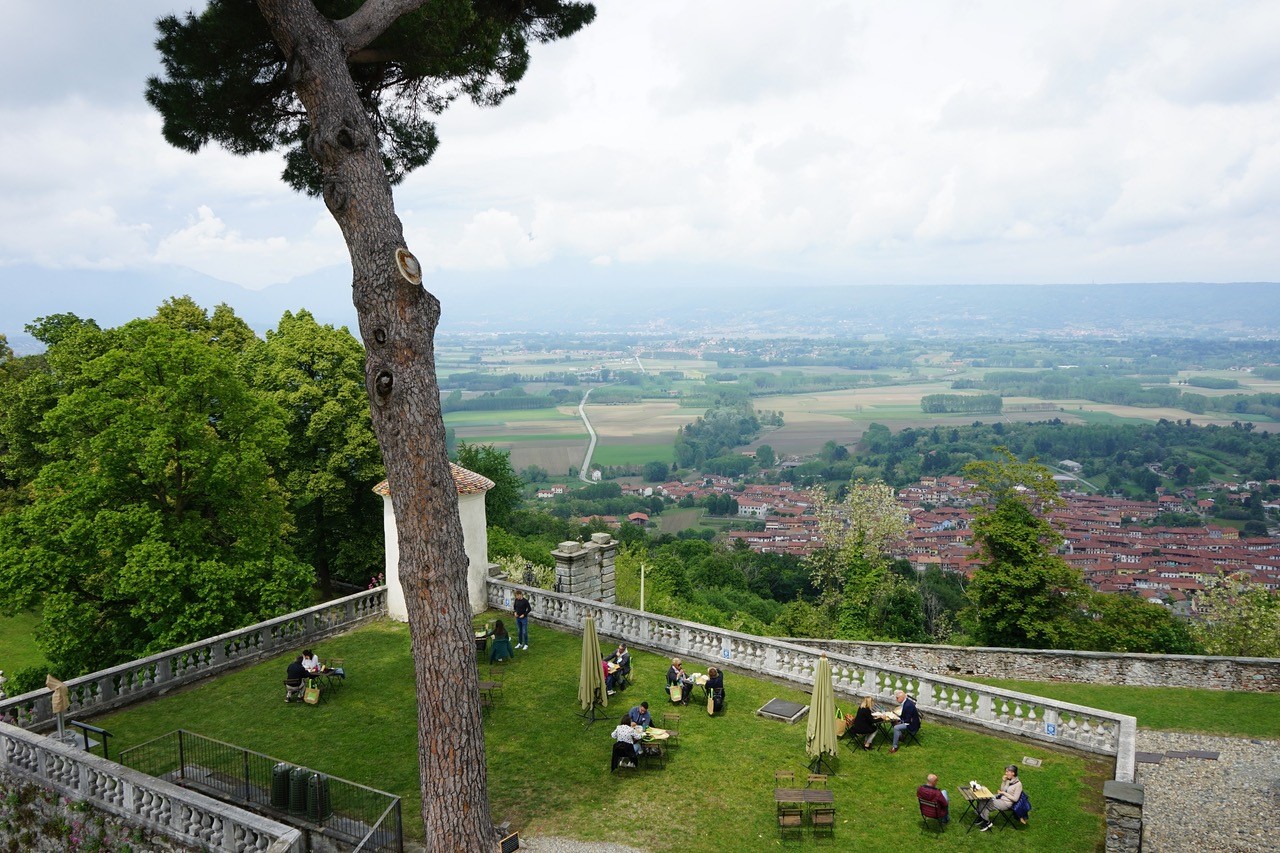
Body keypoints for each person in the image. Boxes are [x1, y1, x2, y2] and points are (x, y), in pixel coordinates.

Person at [978, 765, 1022, 831]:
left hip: (1006, 803)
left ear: (1013, 773)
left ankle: (986, 822)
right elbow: (1002, 790)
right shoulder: (1008, 780)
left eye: (1007, 772)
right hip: (1000, 798)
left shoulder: (1018, 784)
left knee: (985, 802)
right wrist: (1003, 781)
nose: (1006, 773)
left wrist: (1004, 794)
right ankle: (982, 817)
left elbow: (1015, 799)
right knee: (982, 798)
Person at [890, 688, 921, 753]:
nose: (896, 699)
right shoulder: (906, 702)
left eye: (897, 698)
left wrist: (899, 719)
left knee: (896, 727)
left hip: (912, 725)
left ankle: (894, 747)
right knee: (893, 721)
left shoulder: (908, 705)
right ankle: (901, 736)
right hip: (909, 721)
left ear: (902, 698)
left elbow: (907, 721)